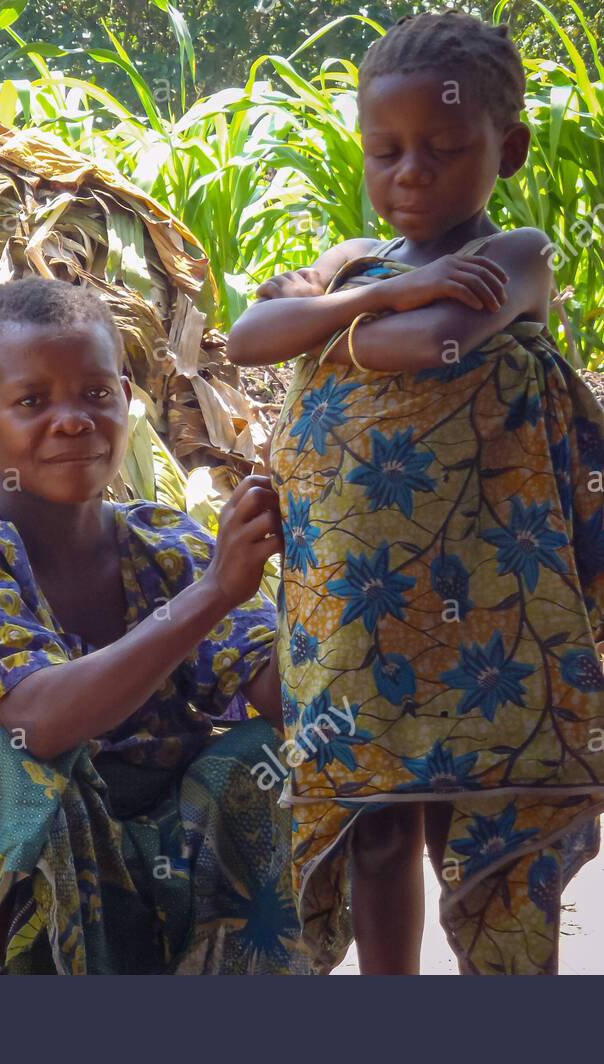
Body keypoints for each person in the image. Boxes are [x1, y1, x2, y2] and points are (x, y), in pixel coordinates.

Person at [228, 12, 604, 975]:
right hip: (358, 613)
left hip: (485, 613)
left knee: (483, 836)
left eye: (442, 149)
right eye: (384, 151)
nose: (410, 174)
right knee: (378, 825)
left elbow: (431, 343)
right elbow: (244, 335)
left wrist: (348, 313)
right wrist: (366, 295)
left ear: (508, 148)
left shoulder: (519, 255)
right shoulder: (359, 269)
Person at [0, 276, 313, 974]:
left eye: (96, 394)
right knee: (10, 767)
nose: (72, 421)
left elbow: (286, 698)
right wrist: (216, 590)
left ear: (127, 401)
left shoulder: (164, 543)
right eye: (32, 401)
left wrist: (318, 547)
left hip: (144, 845)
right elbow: (42, 720)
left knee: (259, 757)